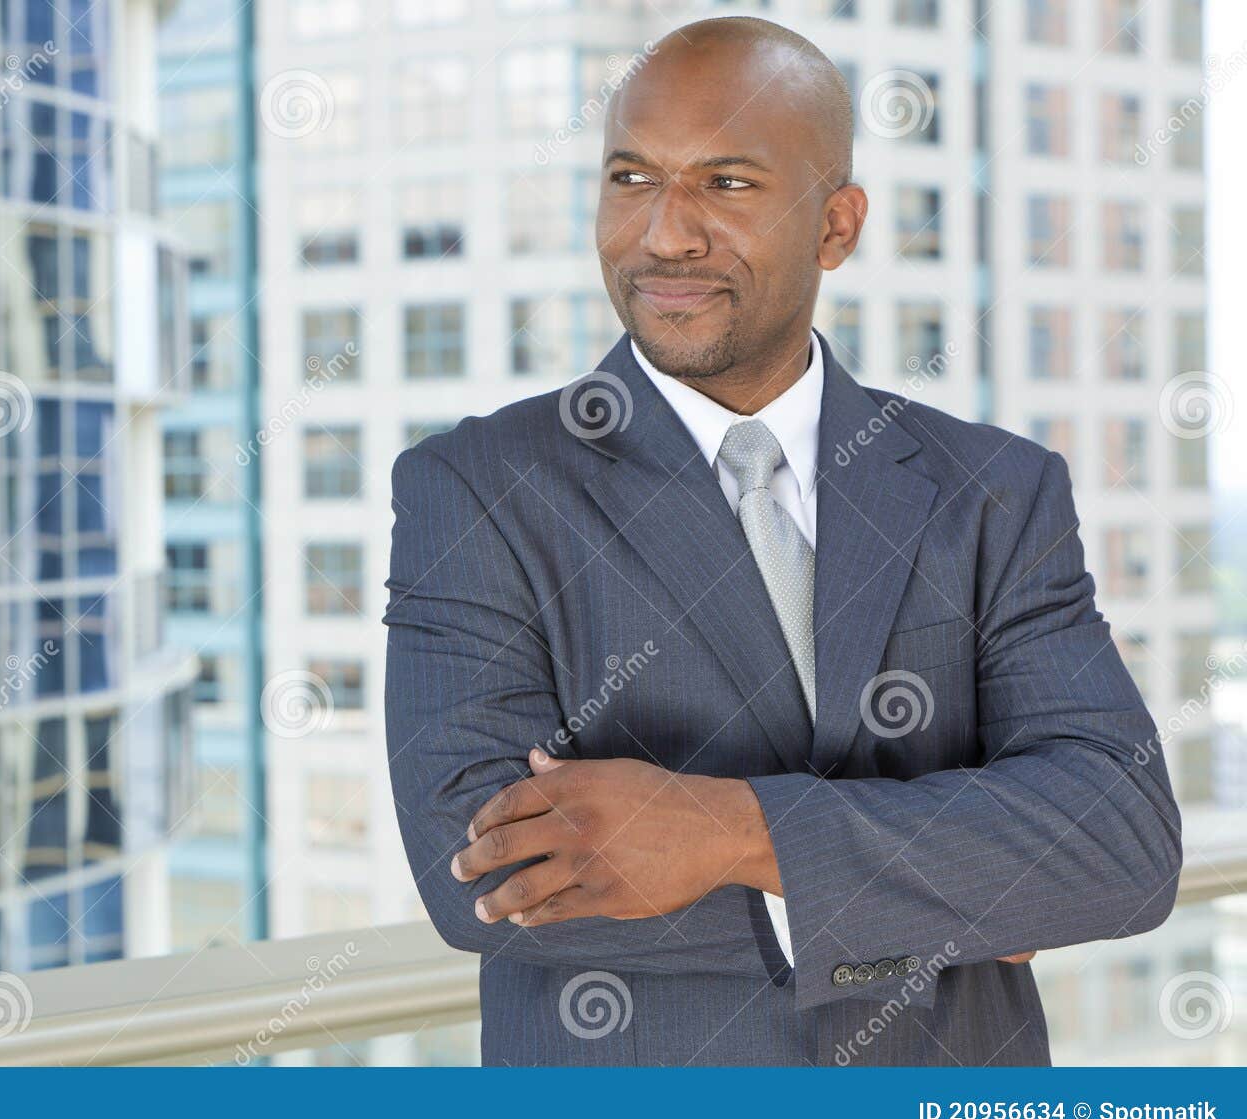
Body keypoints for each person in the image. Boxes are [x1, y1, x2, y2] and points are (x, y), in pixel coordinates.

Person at [383, 15, 1181, 1066]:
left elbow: (1118, 836)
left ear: (836, 225)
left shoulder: (995, 489)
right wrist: (962, 887)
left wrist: (725, 831)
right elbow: (486, 873)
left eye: (725, 183)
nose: (664, 234)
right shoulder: (478, 486)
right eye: (631, 177)